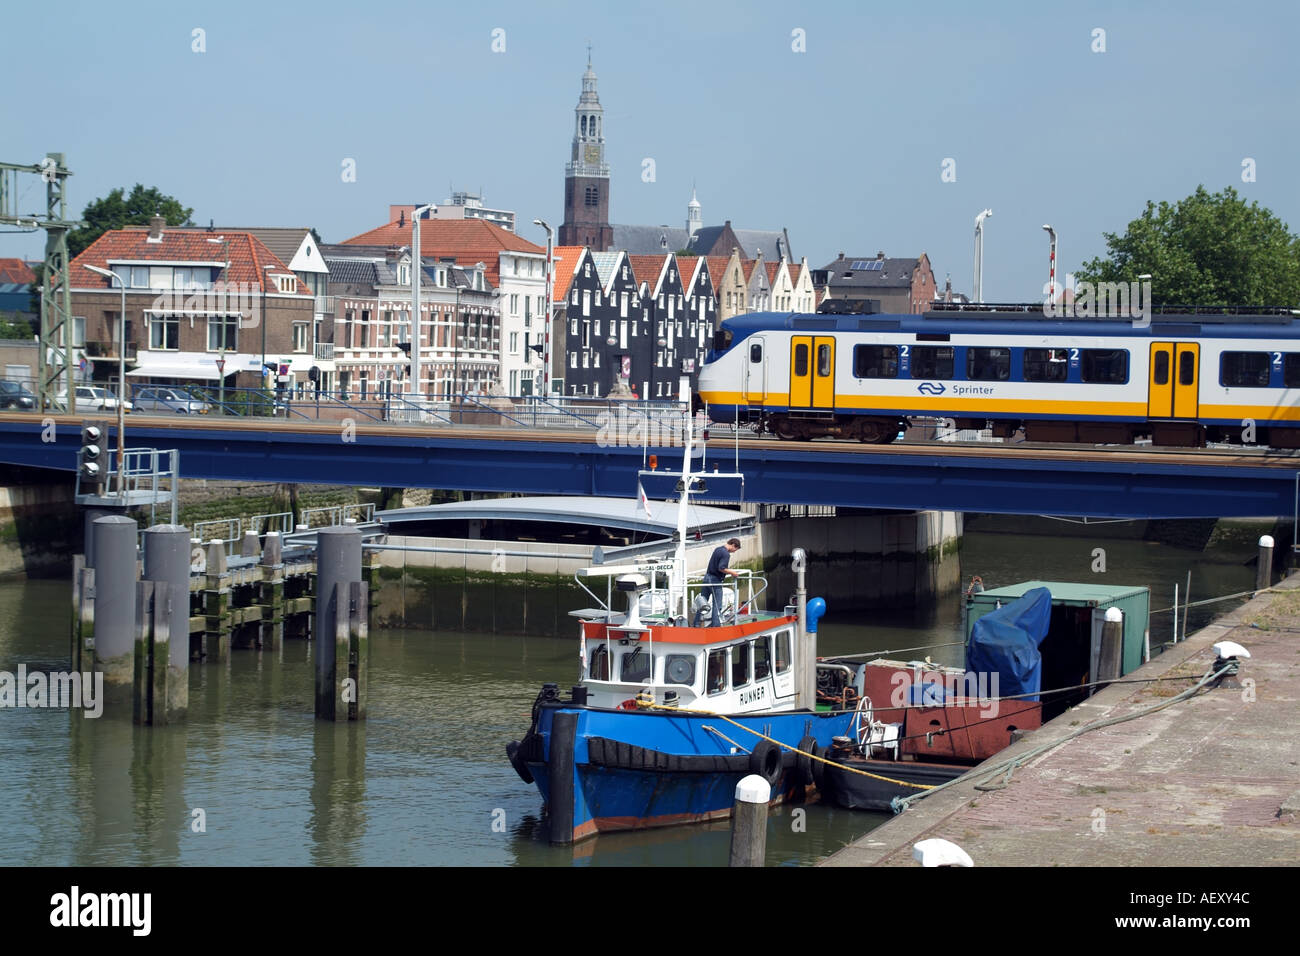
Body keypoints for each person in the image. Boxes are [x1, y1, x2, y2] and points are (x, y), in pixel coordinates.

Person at [695, 538, 742, 627]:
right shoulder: (726, 554)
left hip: (706, 578)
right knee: (717, 605)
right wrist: (733, 573)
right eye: (735, 549)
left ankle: (696, 624)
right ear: (733, 545)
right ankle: (715, 627)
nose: (734, 552)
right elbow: (721, 568)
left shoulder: (718, 549)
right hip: (715, 580)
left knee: (702, 604)